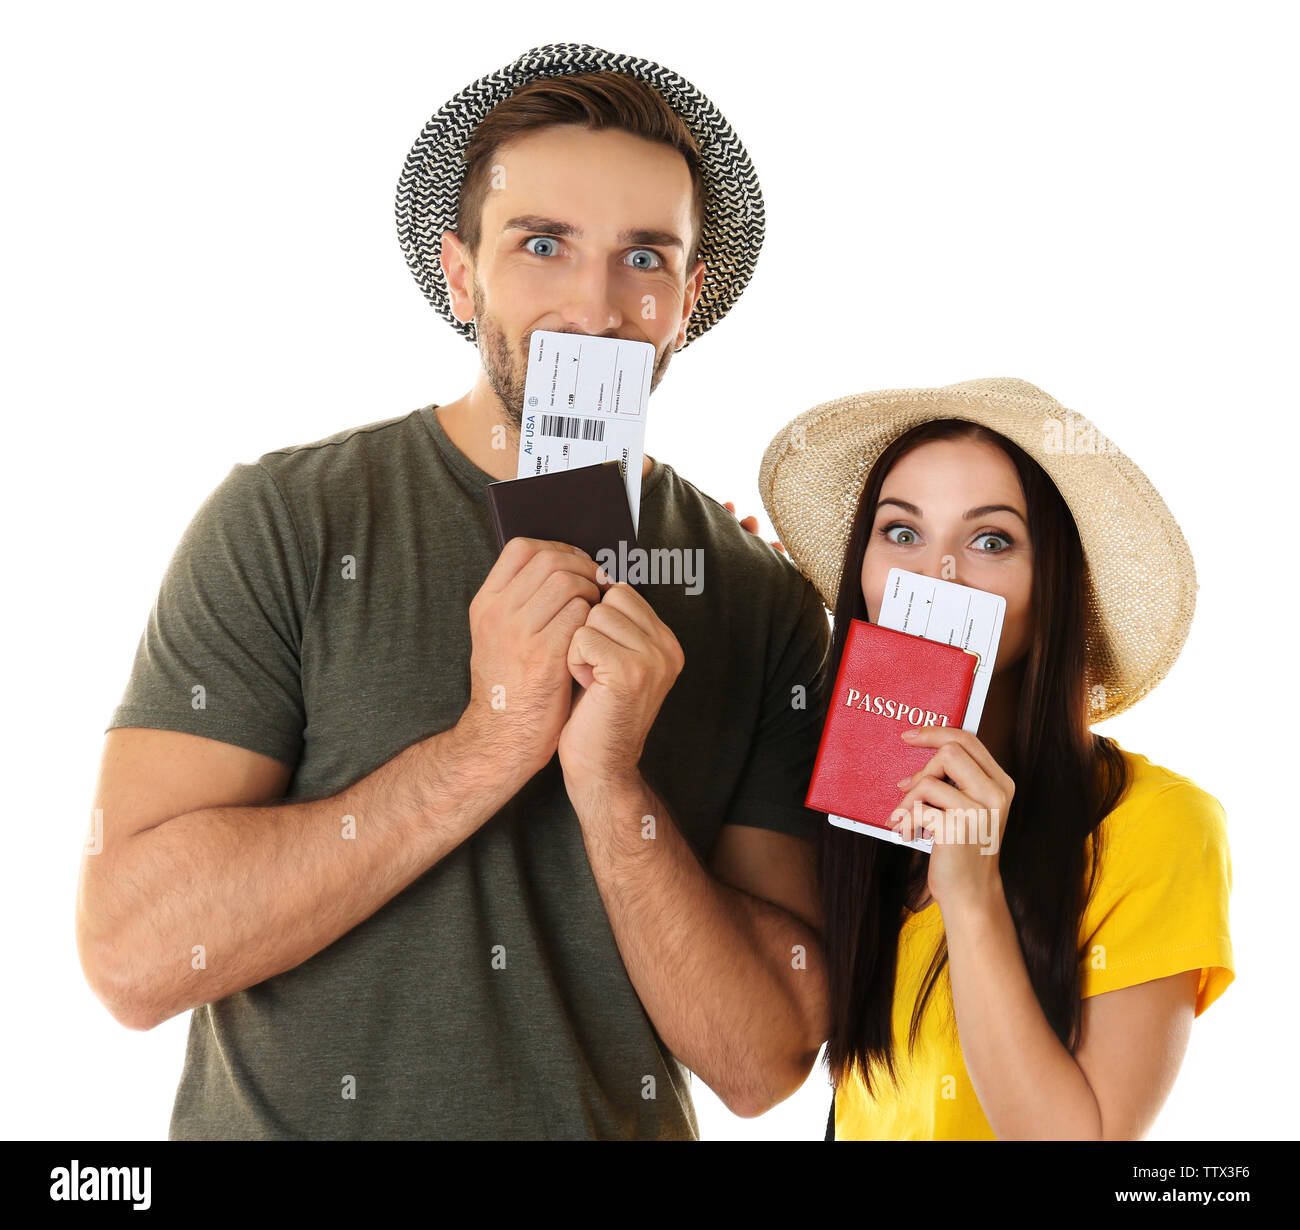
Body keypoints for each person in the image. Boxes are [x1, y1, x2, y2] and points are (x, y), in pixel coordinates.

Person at [77, 43, 831, 1140]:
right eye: (542, 245)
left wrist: (612, 785)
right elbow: (131, 960)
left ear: (687, 300)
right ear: (462, 274)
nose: (595, 303)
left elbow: (763, 1064)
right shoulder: (289, 518)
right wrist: (488, 744)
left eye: (644, 259)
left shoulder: (760, 599)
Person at [755, 376, 1234, 1139]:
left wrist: (972, 893)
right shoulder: (850, 808)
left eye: (991, 541)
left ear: (1055, 586)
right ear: (865, 577)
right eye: (902, 533)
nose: (936, 574)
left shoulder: (1158, 823)